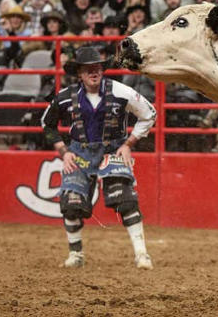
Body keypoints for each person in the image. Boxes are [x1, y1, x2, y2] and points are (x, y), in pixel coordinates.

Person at [40, 46, 156, 269]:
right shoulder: (65, 97)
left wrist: (129, 144)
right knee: (71, 203)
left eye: (97, 68)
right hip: (79, 153)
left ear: (103, 70)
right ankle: (76, 254)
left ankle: (142, 255)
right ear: (80, 74)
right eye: (88, 69)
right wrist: (64, 152)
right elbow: (47, 123)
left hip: (113, 150)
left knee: (125, 199)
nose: (94, 72)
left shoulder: (121, 92)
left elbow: (149, 113)